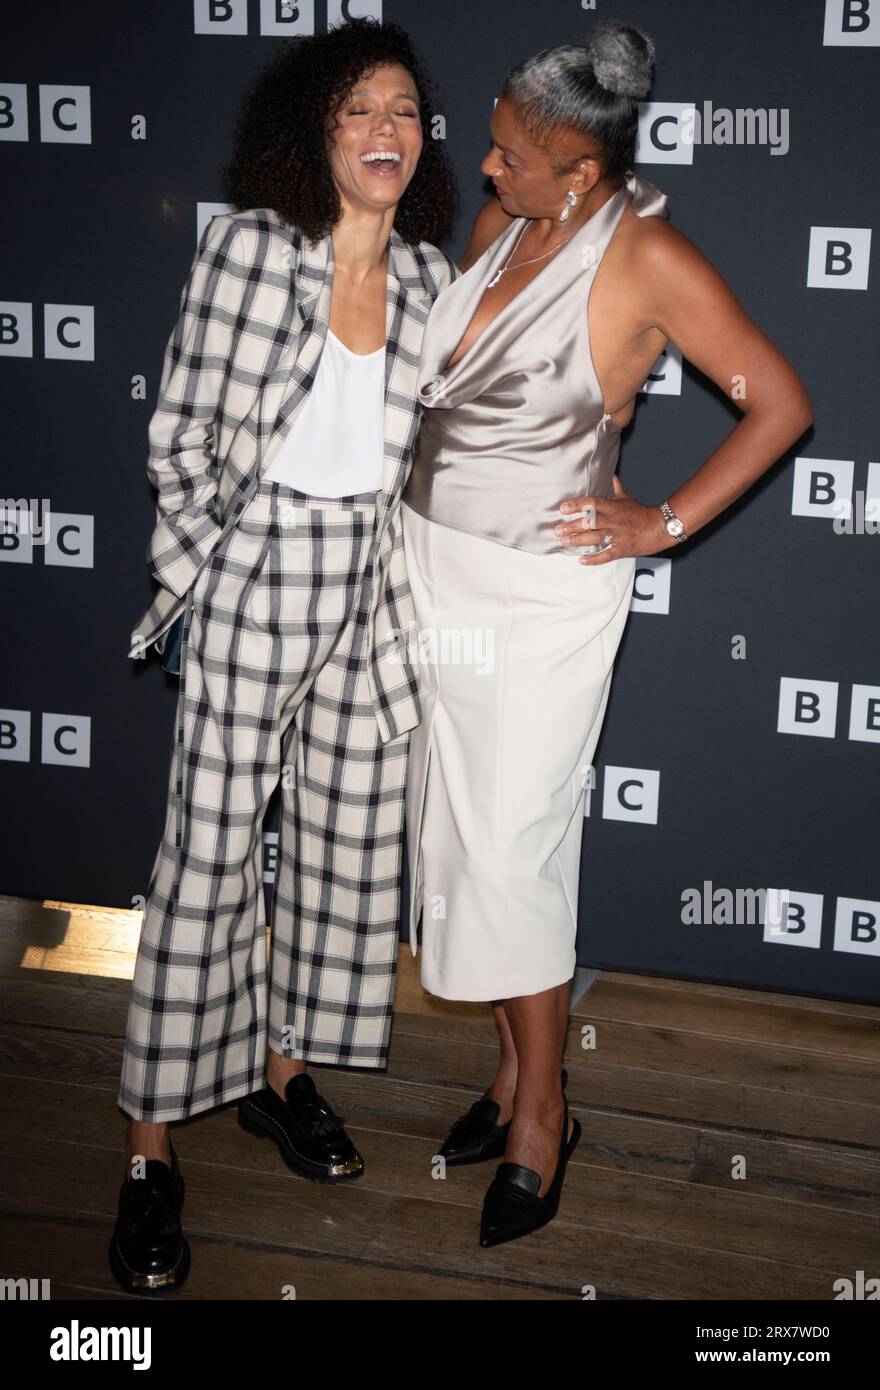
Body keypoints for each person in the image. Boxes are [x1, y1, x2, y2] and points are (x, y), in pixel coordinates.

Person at [401, 19, 813, 1247]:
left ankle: (546, 1113)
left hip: (539, 599)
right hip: (433, 579)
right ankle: (505, 1078)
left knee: (515, 852)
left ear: (580, 172)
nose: (485, 170)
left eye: (511, 158)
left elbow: (778, 402)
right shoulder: (496, 233)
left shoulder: (646, 259)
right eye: (489, 148)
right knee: (471, 843)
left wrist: (663, 521)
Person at [111, 18, 457, 1294]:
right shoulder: (253, 250)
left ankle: (278, 1071)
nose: (386, 130)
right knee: (204, 862)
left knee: (341, 861)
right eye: (360, 109)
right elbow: (181, 434)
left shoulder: (429, 283)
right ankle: (150, 1150)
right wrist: (215, 570)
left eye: (407, 112)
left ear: (425, 145)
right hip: (257, 580)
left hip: (369, 594)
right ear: (315, 130)